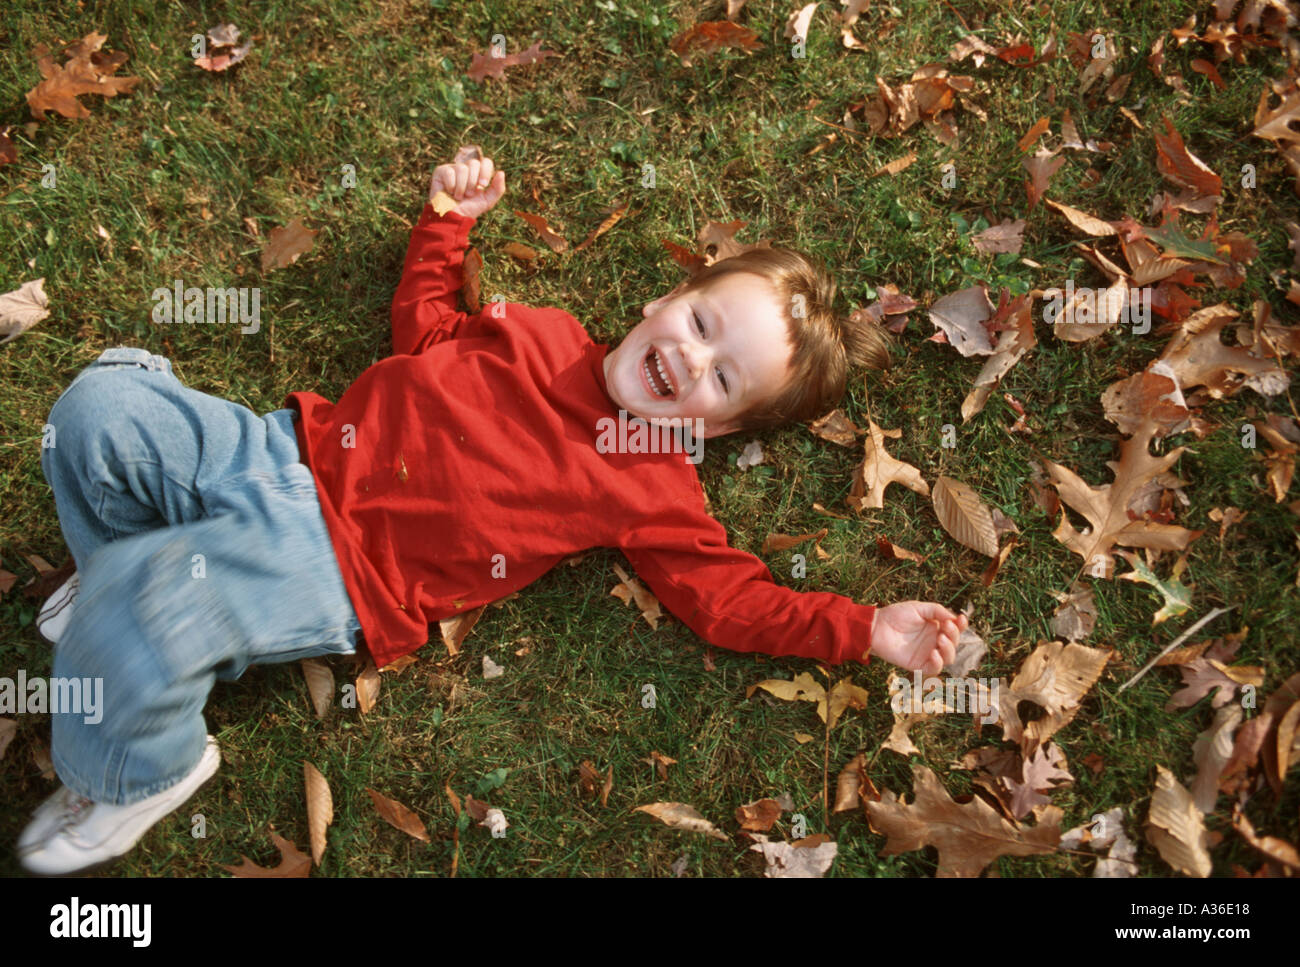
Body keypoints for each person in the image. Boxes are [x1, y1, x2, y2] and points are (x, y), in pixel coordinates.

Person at [18, 152, 965, 875]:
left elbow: (728, 599)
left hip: (337, 561)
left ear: (717, 430)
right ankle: (123, 573)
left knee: (146, 617)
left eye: (724, 381)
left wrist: (864, 629)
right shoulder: (538, 329)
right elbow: (425, 330)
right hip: (279, 450)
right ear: (666, 298)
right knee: (105, 407)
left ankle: (141, 767)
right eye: (703, 325)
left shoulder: (653, 482)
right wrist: (447, 221)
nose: (692, 359)